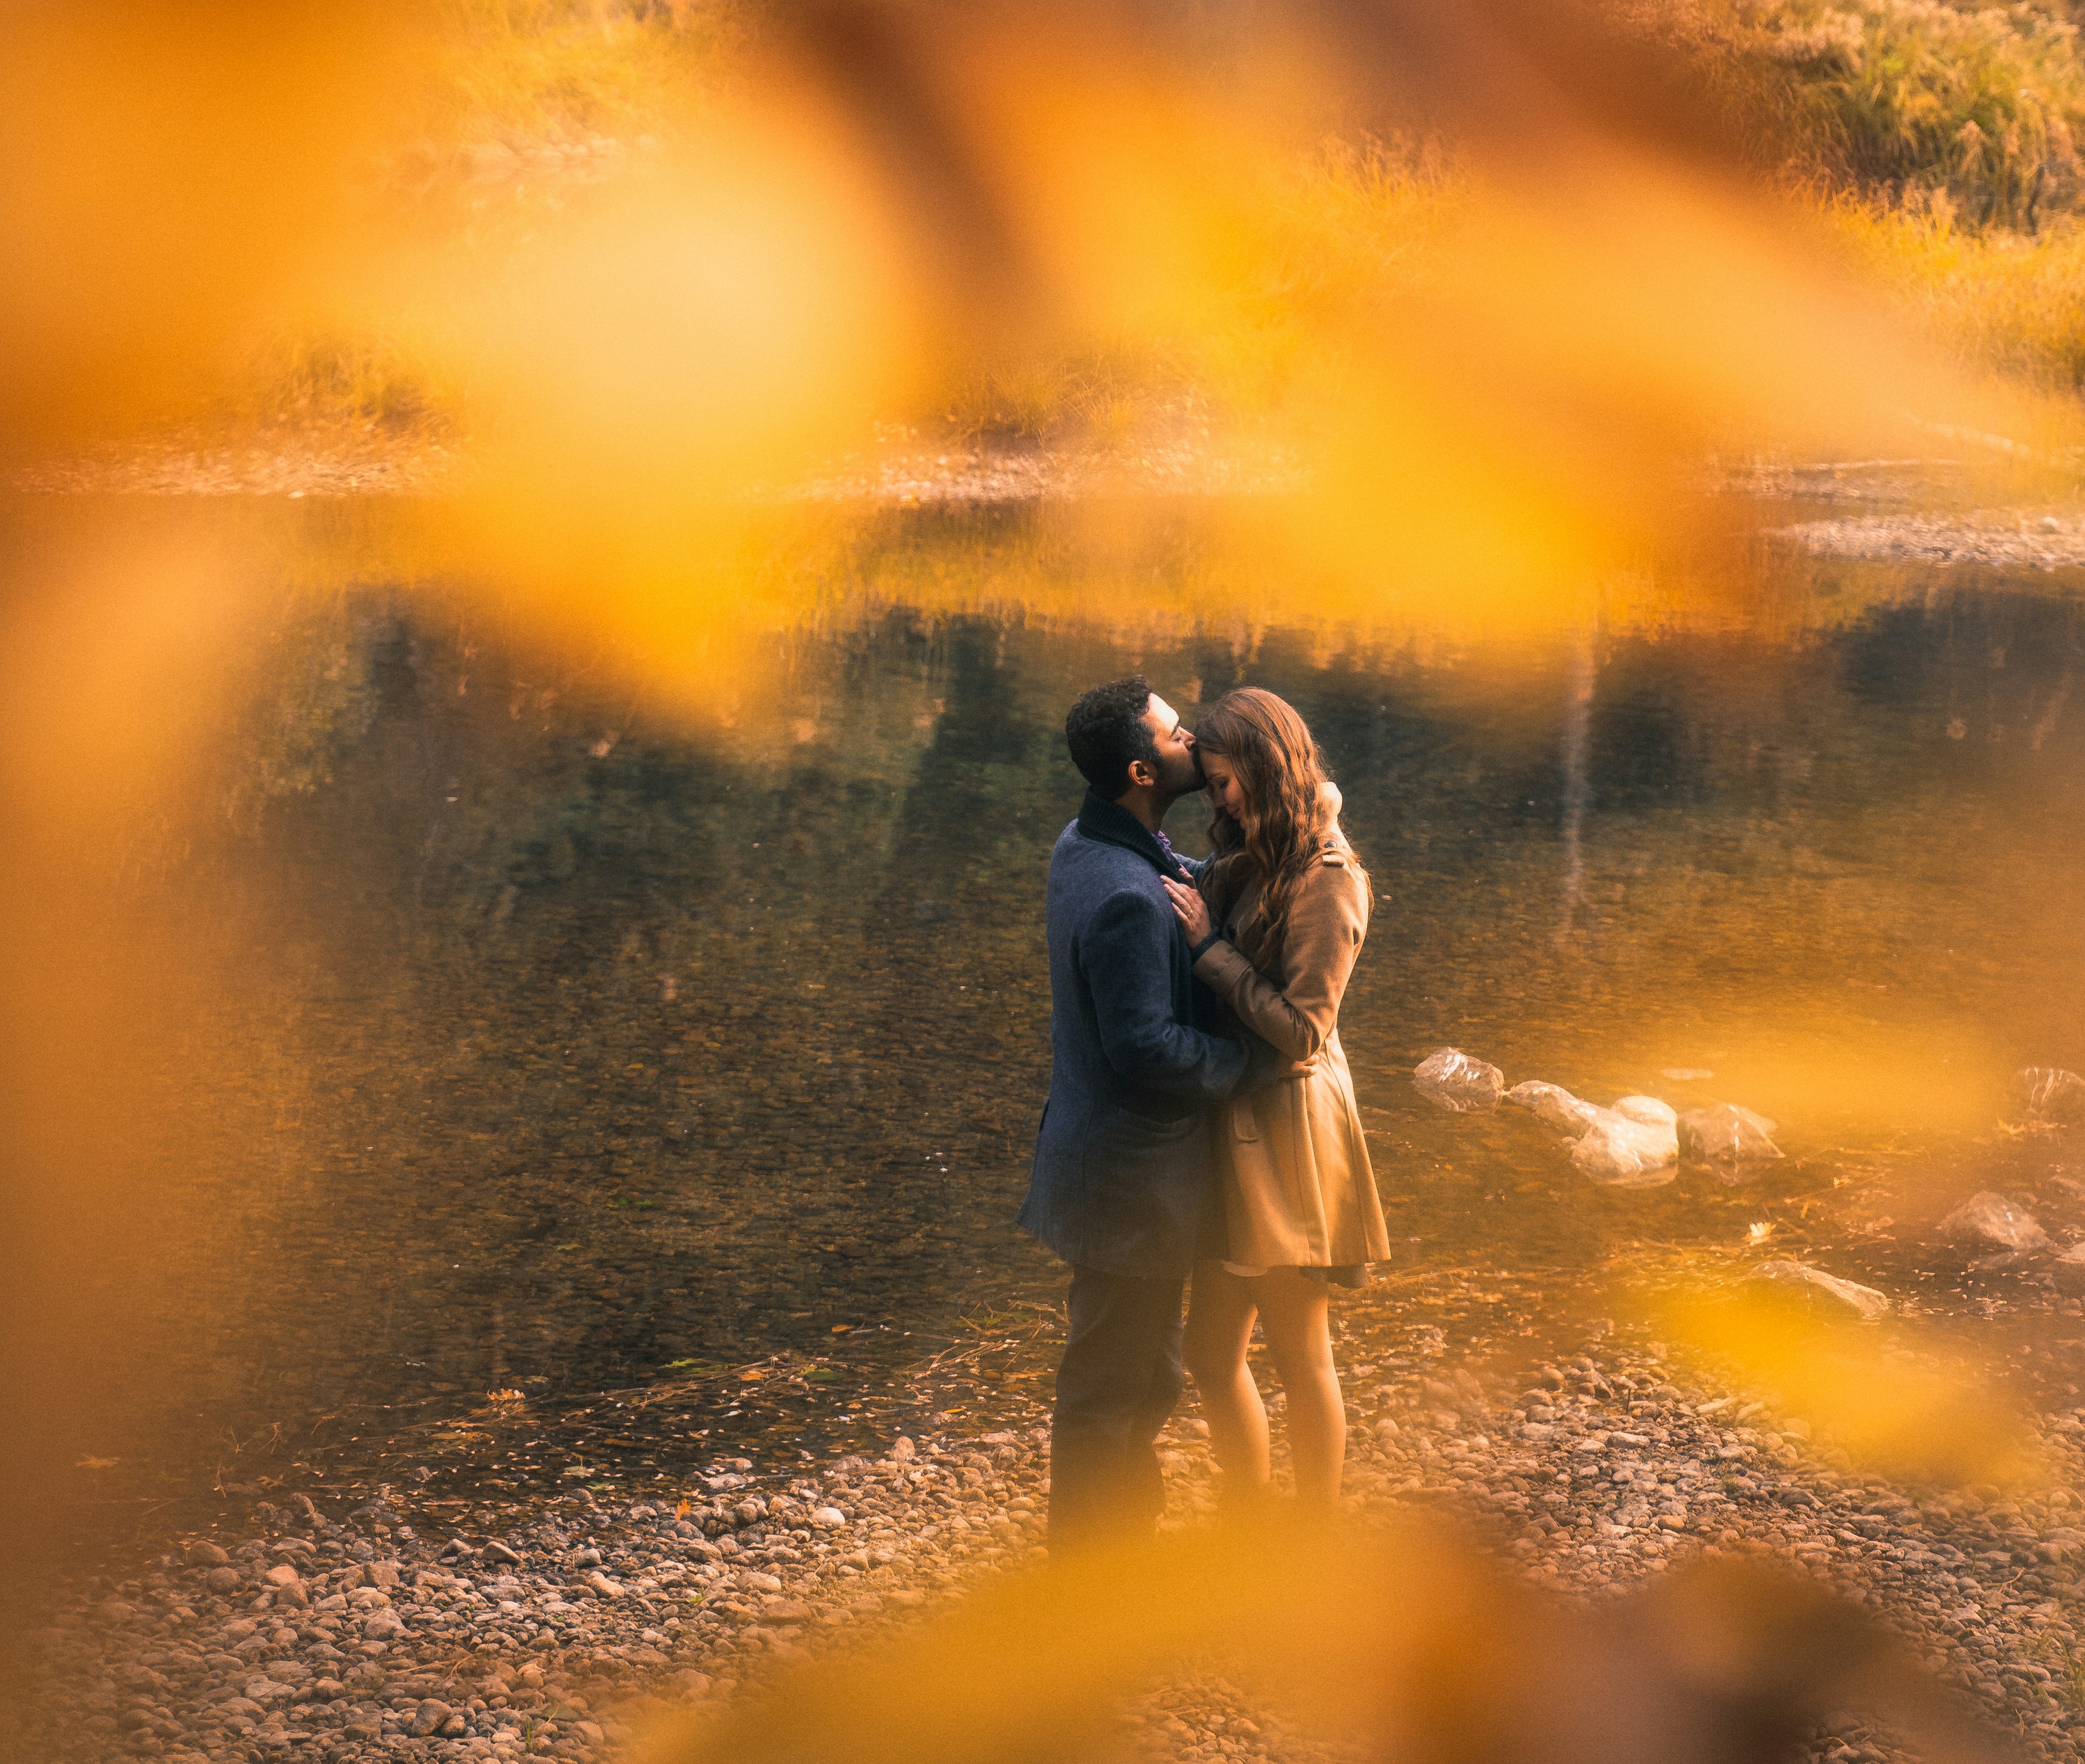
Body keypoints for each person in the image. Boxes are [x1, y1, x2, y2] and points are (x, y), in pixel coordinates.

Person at [1018, 674, 1273, 1555]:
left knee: (1139, 1377)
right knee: (1112, 1390)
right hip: (1132, 1188)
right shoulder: (1126, 894)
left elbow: (1173, 873)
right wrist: (1250, 1064)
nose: (1194, 741)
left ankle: (1118, 1553)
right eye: (1175, 735)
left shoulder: (1089, 842)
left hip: (1104, 1170)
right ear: (1140, 767)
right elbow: (1146, 1047)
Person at [1159, 687, 1389, 1517]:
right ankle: (1248, 1520)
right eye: (1211, 783)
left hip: (1292, 1127)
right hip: (1242, 1121)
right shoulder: (1263, 851)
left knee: (1303, 1356)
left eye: (1224, 782)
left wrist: (1208, 951)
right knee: (1212, 1355)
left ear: (1263, 768)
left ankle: (1312, 1537)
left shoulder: (1330, 880)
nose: (1217, 799)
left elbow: (1302, 1032)